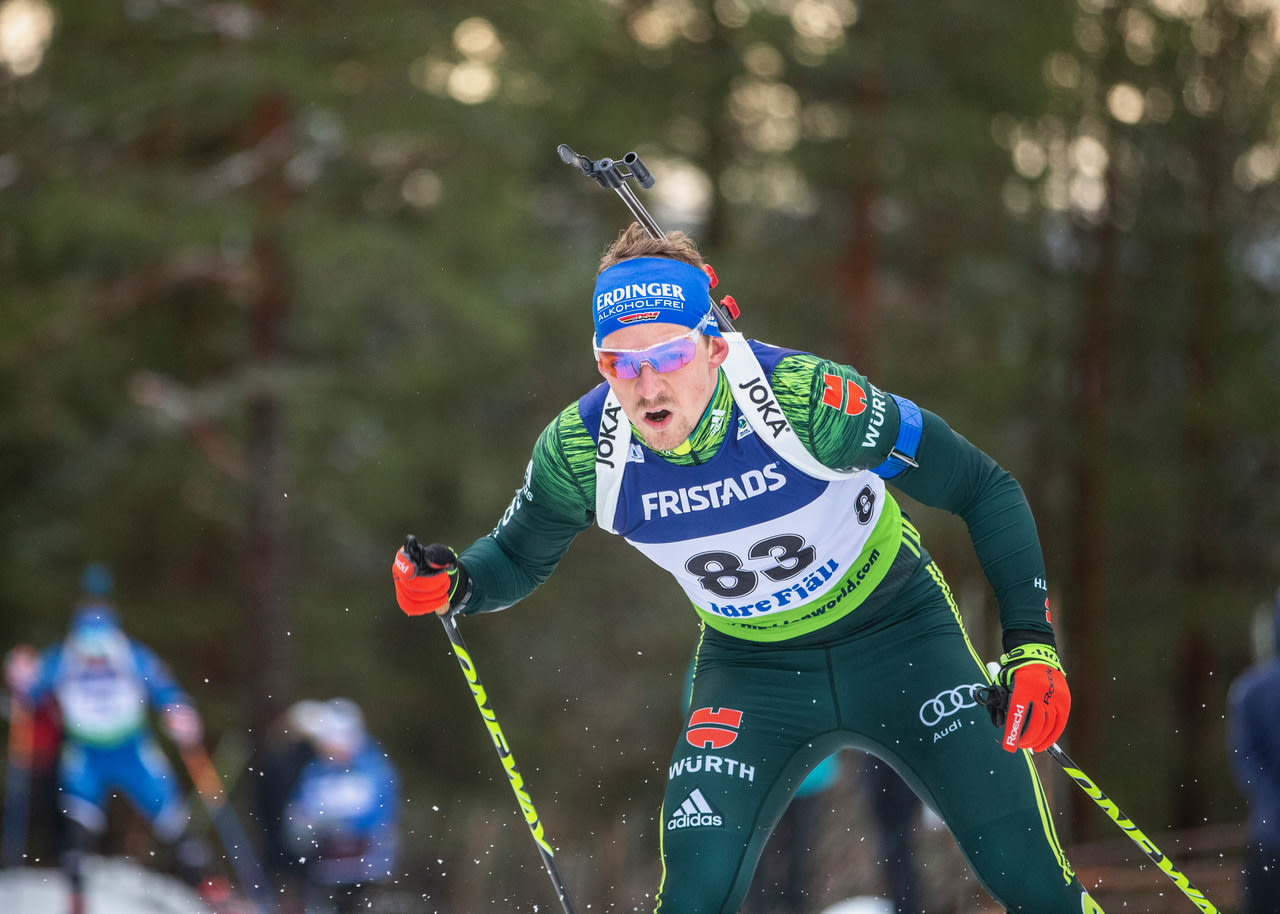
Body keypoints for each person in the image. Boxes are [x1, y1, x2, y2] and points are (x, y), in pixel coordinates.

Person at [391, 224, 1098, 912]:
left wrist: (1032, 645)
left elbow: (982, 487)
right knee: (695, 891)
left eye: (668, 355)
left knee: (1030, 880)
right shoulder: (582, 450)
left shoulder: (807, 401)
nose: (646, 386)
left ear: (713, 345)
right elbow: (516, 555)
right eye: (619, 364)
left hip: (900, 637)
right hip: (755, 671)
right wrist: (456, 585)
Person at [8, 564, 215, 914]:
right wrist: (20, 679)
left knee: (171, 816)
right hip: (86, 753)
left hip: (132, 749)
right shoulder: (64, 656)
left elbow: (161, 685)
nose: (94, 652)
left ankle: (209, 886)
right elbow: (31, 693)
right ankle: (76, 897)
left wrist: (178, 709)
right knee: (78, 823)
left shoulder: (128, 653)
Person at [281, 697, 399, 914]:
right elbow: (299, 811)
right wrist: (306, 827)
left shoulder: (373, 768)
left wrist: (341, 824)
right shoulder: (316, 771)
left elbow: (380, 814)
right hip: (325, 867)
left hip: (365, 868)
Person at [1227, 588, 1280, 914]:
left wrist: (1268, 799)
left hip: (1268, 835)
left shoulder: (1250, 689)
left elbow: (1245, 763)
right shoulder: (1253, 690)